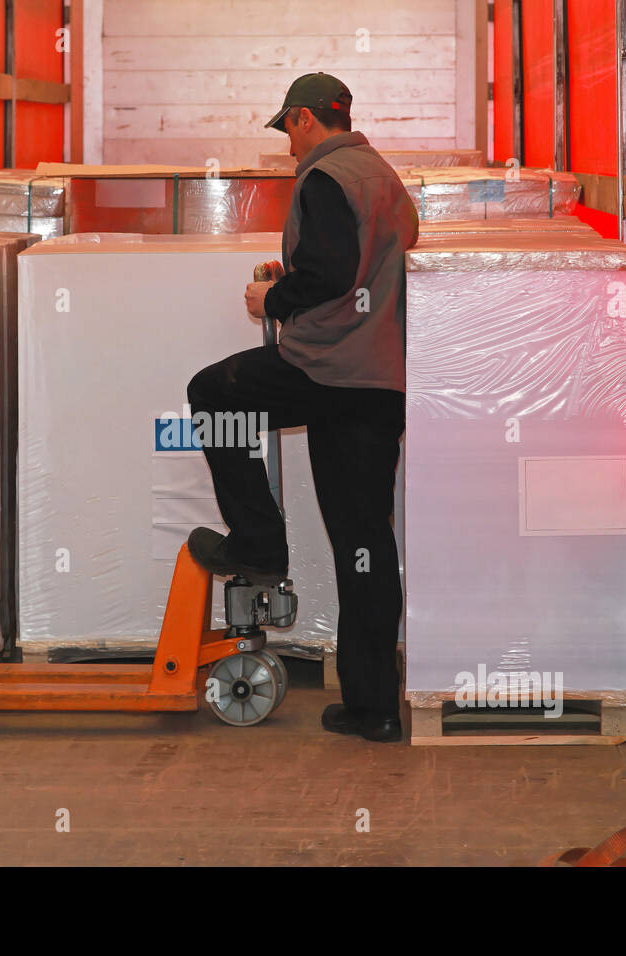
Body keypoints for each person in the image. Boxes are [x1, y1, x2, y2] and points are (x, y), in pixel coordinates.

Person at [186, 73, 419, 742]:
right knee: (365, 543)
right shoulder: (383, 176)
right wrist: (298, 278)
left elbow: (331, 274)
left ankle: (257, 540)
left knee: (212, 392)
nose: (287, 147)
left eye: (286, 131)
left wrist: (275, 300)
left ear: (302, 120)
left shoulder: (325, 178)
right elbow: (370, 265)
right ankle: (374, 706)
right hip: (378, 381)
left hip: (327, 368)